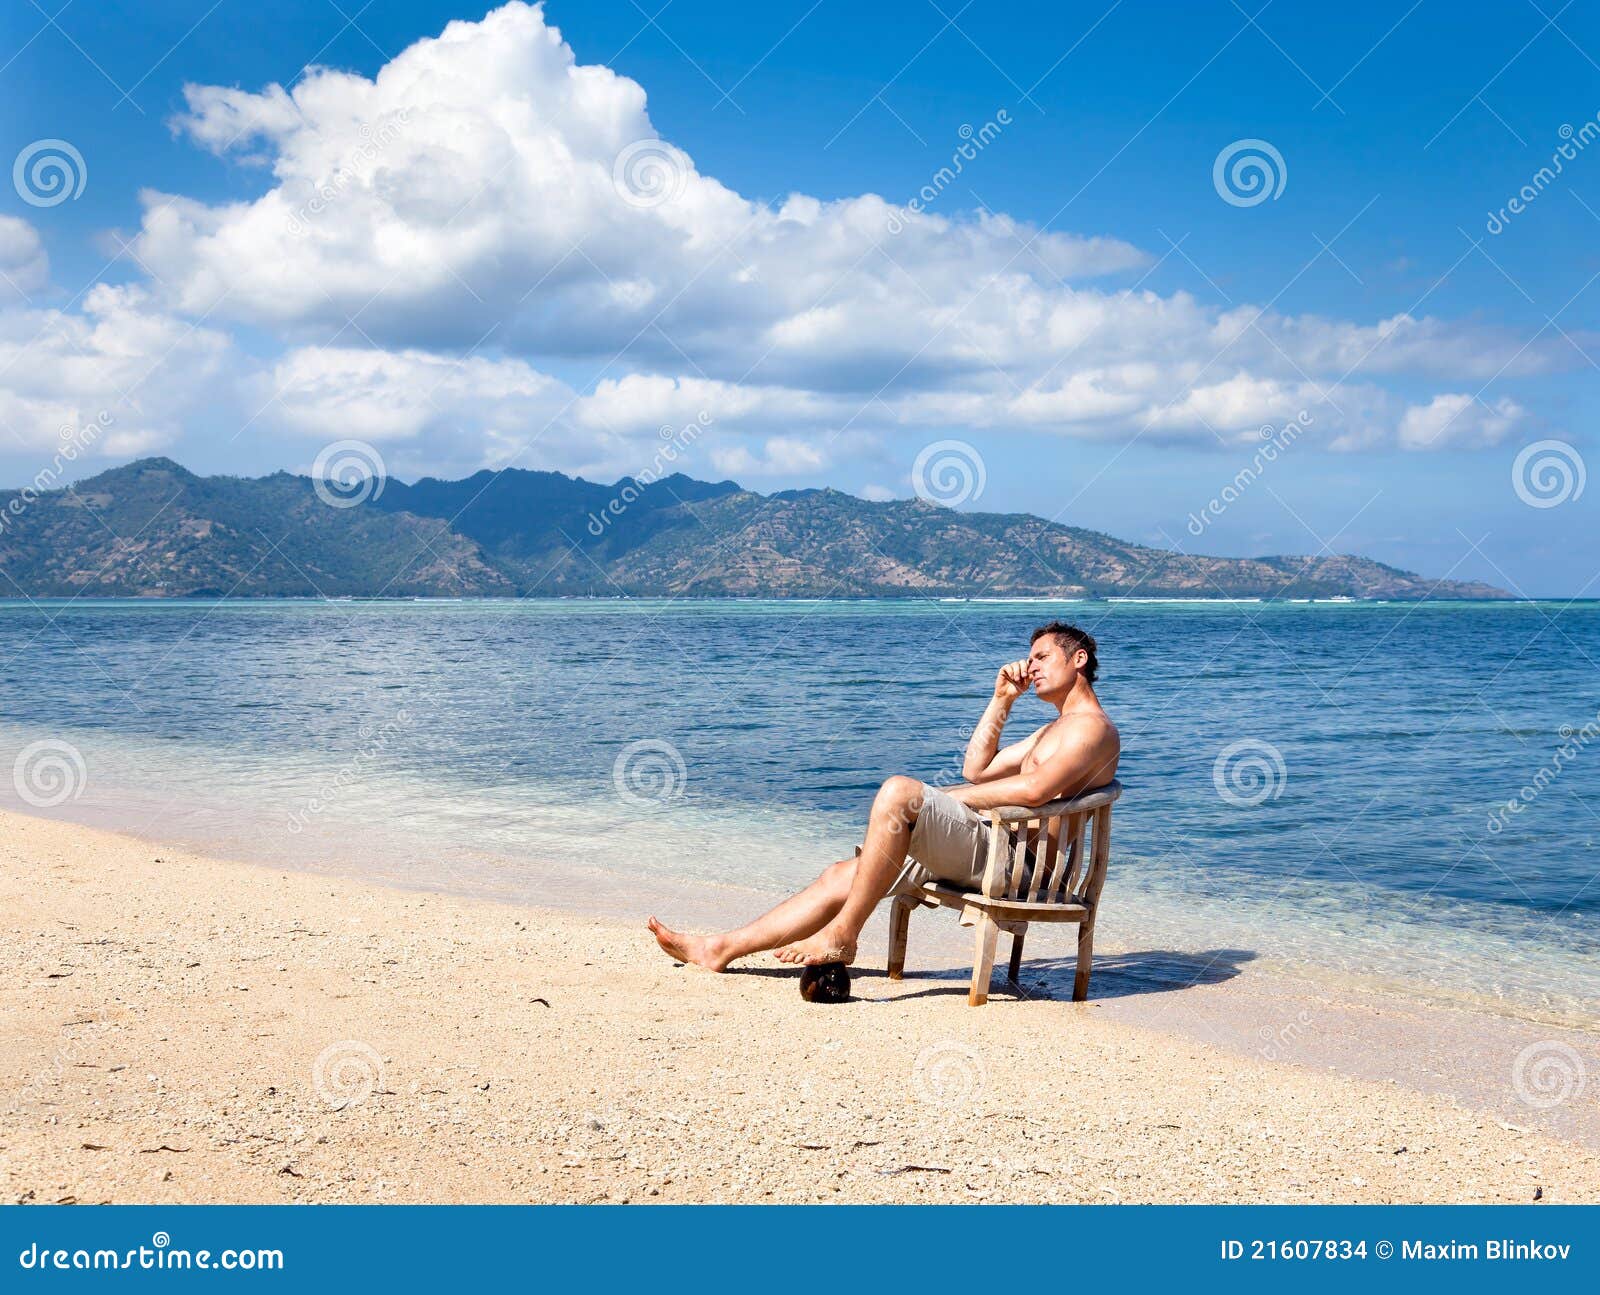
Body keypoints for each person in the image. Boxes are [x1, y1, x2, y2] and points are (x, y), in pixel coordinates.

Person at [647, 621, 1120, 971]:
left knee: (901, 793)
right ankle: (720, 948)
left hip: (1023, 866)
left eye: (1041, 657)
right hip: (995, 847)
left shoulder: (1092, 731)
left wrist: (943, 801)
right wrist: (1001, 700)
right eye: (1030, 658)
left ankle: (842, 936)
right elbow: (976, 769)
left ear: (1077, 659)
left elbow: (1036, 790)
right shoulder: (1050, 731)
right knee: (841, 874)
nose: (1030, 666)